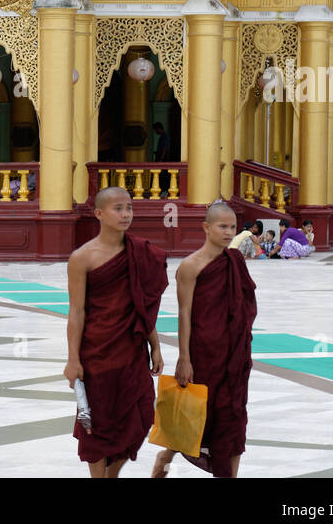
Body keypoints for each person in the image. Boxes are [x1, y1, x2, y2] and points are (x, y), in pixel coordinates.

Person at [64, 186, 168, 478]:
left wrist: (155, 346)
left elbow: (143, 305)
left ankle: (113, 474)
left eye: (129, 208)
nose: (126, 214)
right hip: (96, 351)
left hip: (131, 349)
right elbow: (76, 312)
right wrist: (73, 359)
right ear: (99, 214)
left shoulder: (139, 252)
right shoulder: (82, 258)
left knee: (142, 415)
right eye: (118, 208)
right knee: (96, 422)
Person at [152, 200, 257, 479]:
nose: (228, 232)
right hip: (203, 357)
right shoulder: (190, 266)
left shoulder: (234, 262)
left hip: (232, 359)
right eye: (222, 226)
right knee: (181, 430)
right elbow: (184, 314)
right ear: (206, 228)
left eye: (232, 227)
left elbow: (244, 307)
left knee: (231, 428)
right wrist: (184, 358)